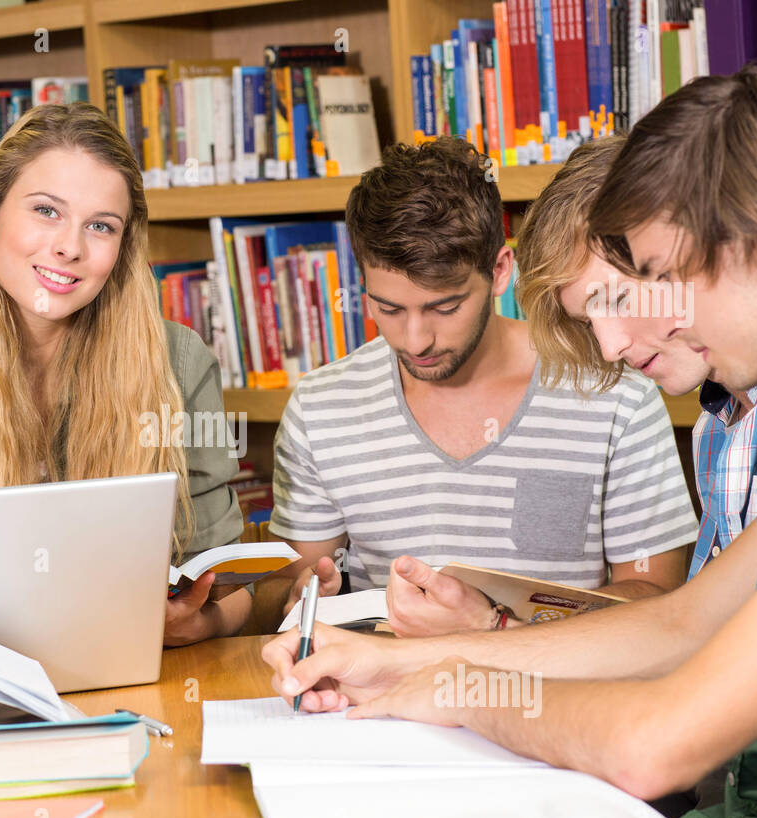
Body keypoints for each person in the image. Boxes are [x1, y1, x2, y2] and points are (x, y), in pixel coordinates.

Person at [263, 65, 757, 818]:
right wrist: (391, 660)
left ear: (756, 241)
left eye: (661, 277)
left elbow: (653, 746)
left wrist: (463, 690)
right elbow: (682, 624)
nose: (631, 336)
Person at [256, 135, 697, 636]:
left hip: (561, 699)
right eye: (388, 308)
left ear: (500, 270)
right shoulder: (321, 409)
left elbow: (655, 603)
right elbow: (293, 591)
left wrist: (494, 626)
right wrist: (297, 597)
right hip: (383, 700)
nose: (415, 339)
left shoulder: (616, 392)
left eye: (444, 307)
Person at [0, 102, 247, 646]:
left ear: (123, 248)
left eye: (100, 226)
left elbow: (231, 588)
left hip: (132, 677)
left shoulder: (179, 364)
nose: (69, 247)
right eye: (45, 210)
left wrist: (195, 624)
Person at [517, 135, 757, 583]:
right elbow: (699, 624)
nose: (609, 349)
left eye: (620, 299)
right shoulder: (713, 431)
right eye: (588, 322)